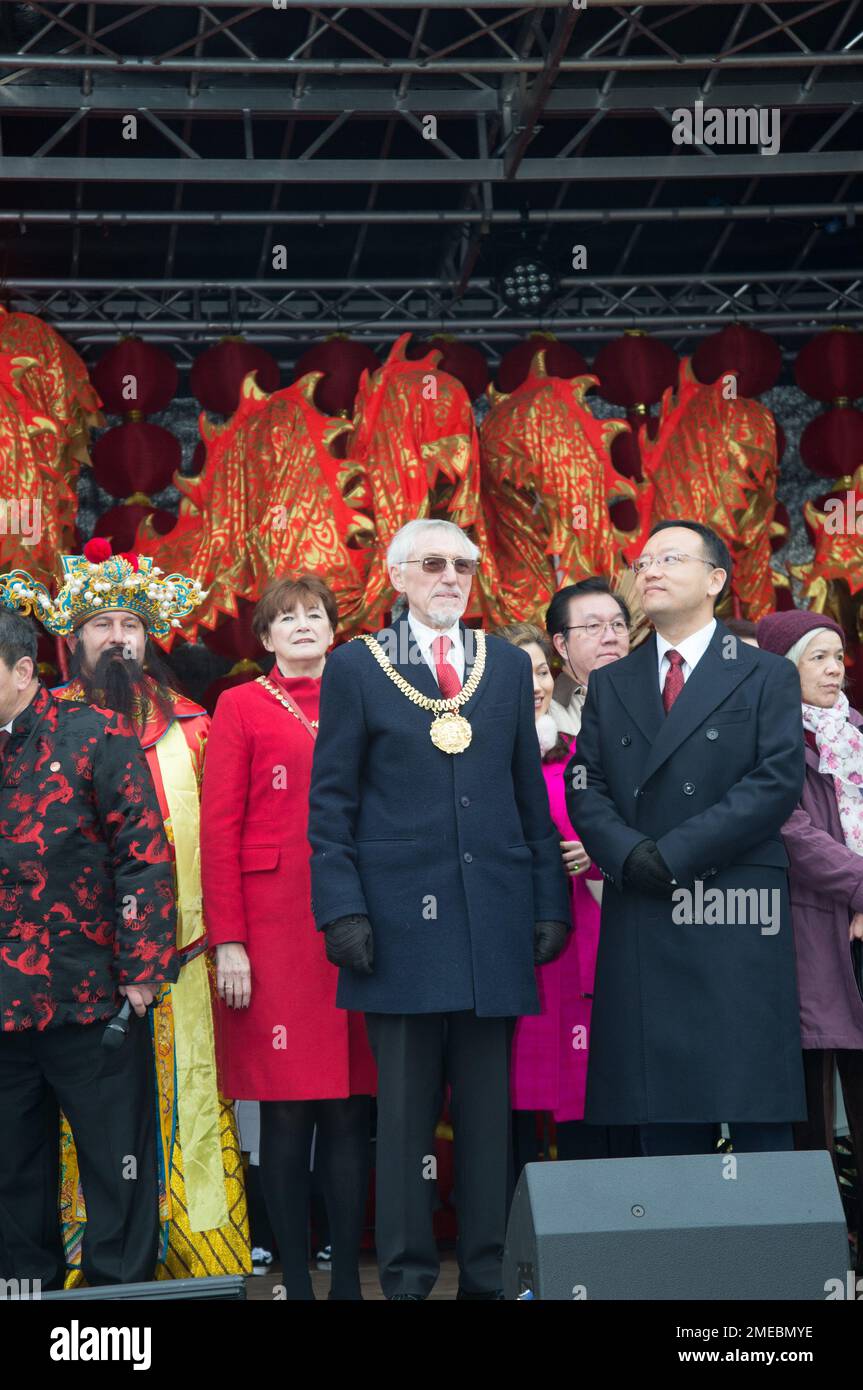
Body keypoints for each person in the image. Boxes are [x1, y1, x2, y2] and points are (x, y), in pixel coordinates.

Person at [308, 518, 570, 1301]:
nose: (449, 577)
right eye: (431, 564)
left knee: (490, 1122)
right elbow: (330, 804)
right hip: (395, 927)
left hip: (490, 918)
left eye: (463, 563)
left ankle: (486, 1279)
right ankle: (408, 1278)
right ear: (395, 577)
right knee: (405, 1121)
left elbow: (529, 793)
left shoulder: (498, 665)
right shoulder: (356, 666)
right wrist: (342, 910)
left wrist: (545, 898)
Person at [565, 520, 807, 1156]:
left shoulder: (763, 674)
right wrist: (627, 854)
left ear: (716, 580)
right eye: (643, 561)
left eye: (669, 559)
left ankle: (770, 1250)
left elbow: (774, 782)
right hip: (643, 900)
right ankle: (672, 1255)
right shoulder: (613, 682)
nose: (650, 571)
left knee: (751, 1095)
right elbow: (585, 782)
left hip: (735, 903)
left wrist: (672, 853)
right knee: (659, 1101)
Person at [45, 538, 250, 1283]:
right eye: (101, 624)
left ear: (149, 637)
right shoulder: (44, 727)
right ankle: (94, 1272)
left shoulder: (195, 726)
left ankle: (202, 1265)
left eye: (130, 624)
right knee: (86, 1129)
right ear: (74, 641)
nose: (118, 638)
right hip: (78, 972)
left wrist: (228, 940)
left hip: (185, 966)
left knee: (193, 1112)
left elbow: (224, 841)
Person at [201, 574, 376, 1301]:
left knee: (348, 1104)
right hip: (272, 930)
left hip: (360, 926)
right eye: (286, 618)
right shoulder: (240, 704)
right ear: (266, 638)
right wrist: (229, 942)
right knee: (285, 1105)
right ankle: (294, 1278)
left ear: (334, 629)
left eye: (315, 614)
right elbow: (218, 831)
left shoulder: (368, 692)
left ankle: (343, 1281)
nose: (303, 625)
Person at [0, 592, 178, 1290]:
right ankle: (24, 1288)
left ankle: (116, 1298)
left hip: (90, 990)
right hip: (3, 1007)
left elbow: (144, 854)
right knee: (12, 1162)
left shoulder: (95, 733)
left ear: (22, 672)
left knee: (115, 1161)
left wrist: (140, 971)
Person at [501, 620, 636, 1168]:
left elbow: (620, 827)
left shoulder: (581, 750)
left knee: (582, 1075)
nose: (533, 684)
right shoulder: (472, 755)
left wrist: (593, 854)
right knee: (510, 1085)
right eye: (518, 672)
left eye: (539, 670)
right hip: (510, 937)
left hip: (582, 930)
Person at [757, 610, 863, 1273]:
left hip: (853, 923)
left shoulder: (853, 736)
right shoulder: (772, 741)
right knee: (810, 1099)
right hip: (809, 931)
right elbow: (791, 833)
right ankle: (820, 1253)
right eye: (816, 657)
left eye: (837, 656)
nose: (833, 669)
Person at [546, 578, 631, 737]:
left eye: (618, 624)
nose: (610, 637)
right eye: (593, 626)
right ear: (562, 645)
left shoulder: (653, 697)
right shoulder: (545, 712)